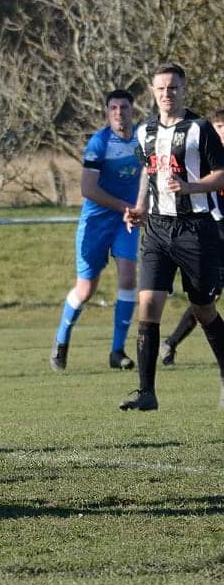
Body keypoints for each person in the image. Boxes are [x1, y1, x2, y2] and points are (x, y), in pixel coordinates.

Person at [119, 65, 224, 411]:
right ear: (153, 92)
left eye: (174, 88)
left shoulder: (200, 129)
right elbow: (147, 176)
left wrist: (192, 186)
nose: (168, 94)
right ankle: (146, 392)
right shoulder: (144, 132)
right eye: (162, 88)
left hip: (196, 230)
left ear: (183, 89)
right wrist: (138, 209)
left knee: (203, 309)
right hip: (158, 231)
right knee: (147, 305)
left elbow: (221, 175)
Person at [51, 90, 141, 371]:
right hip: (97, 223)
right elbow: (88, 189)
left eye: (123, 107)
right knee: (86, 289)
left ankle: (117, 351)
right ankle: (61, 340)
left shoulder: (143, 140)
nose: (118, 113)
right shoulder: (99, 143)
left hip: (126, 221)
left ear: (132, 110)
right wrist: (124, 206)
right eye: (113, 108)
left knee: (128, 278)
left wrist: (138, 207)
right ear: (107, 112)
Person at [156, 107, 224, 366]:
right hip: (210, 230)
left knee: (208, 297)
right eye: (219, 128)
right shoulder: (203, 159)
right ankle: (170, 342)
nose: (223, 133)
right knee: (207, 296)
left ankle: (171, 342)